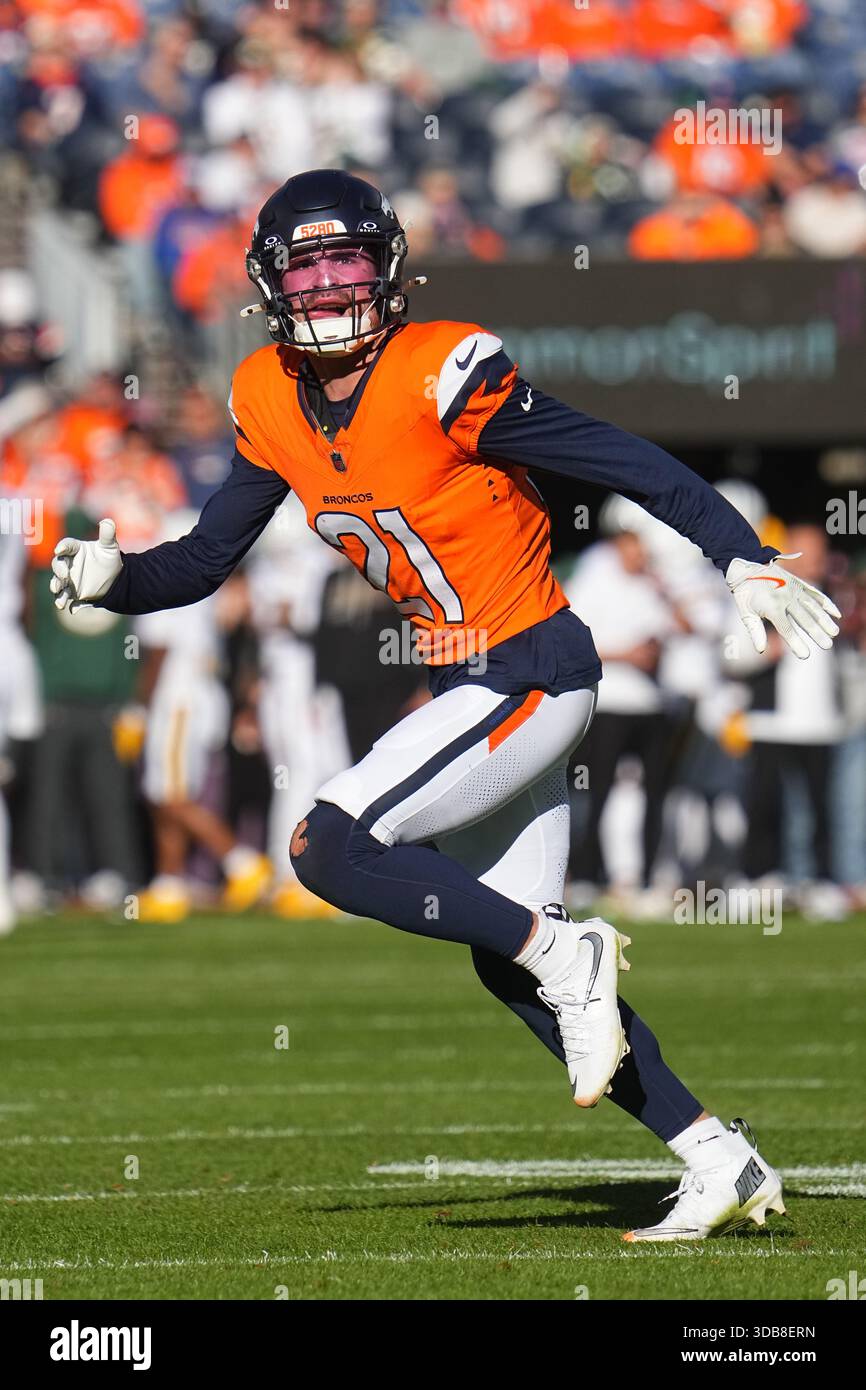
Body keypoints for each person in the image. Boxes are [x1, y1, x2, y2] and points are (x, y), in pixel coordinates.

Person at [49, 169, 840, 1241]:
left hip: (528, 668)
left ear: (389, 268)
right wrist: (119, 579)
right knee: (508, 956)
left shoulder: (440, 370)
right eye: (308, 266)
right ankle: (714, 1153)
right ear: (269, 282)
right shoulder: (264, 396)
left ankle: (575, 955)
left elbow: (613, 453)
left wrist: (736, 551)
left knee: (329, 846)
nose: (330, 286)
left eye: (350, 261)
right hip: (475, 680)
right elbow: (201, 557)